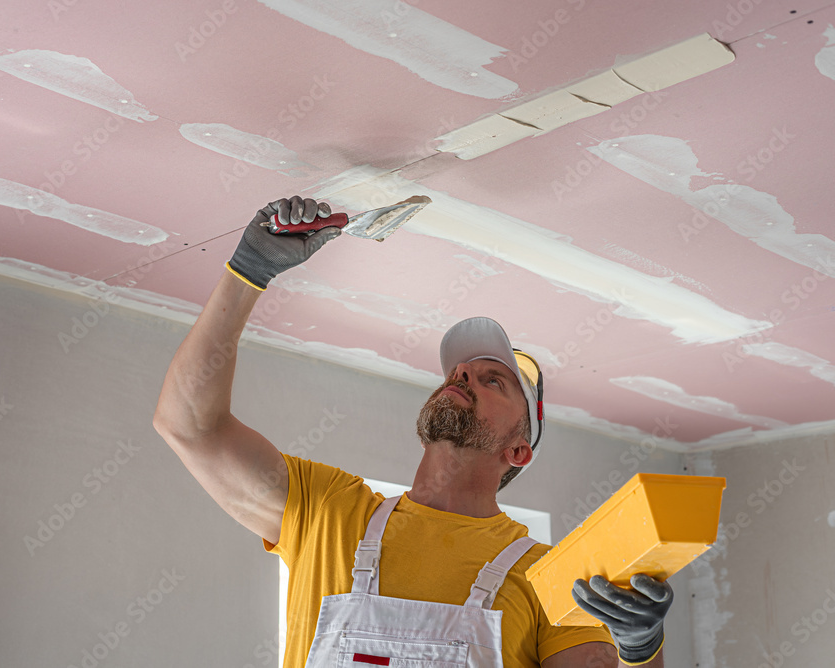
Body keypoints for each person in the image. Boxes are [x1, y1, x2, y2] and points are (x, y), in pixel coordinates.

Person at [154, 196, 674, 668]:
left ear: (519, 450)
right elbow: (187, 425)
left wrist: (639, 647)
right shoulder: (329, 511)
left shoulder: (551, 576)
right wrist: (249, 270)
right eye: (459, 372)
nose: (464, 374)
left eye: (493, 380)